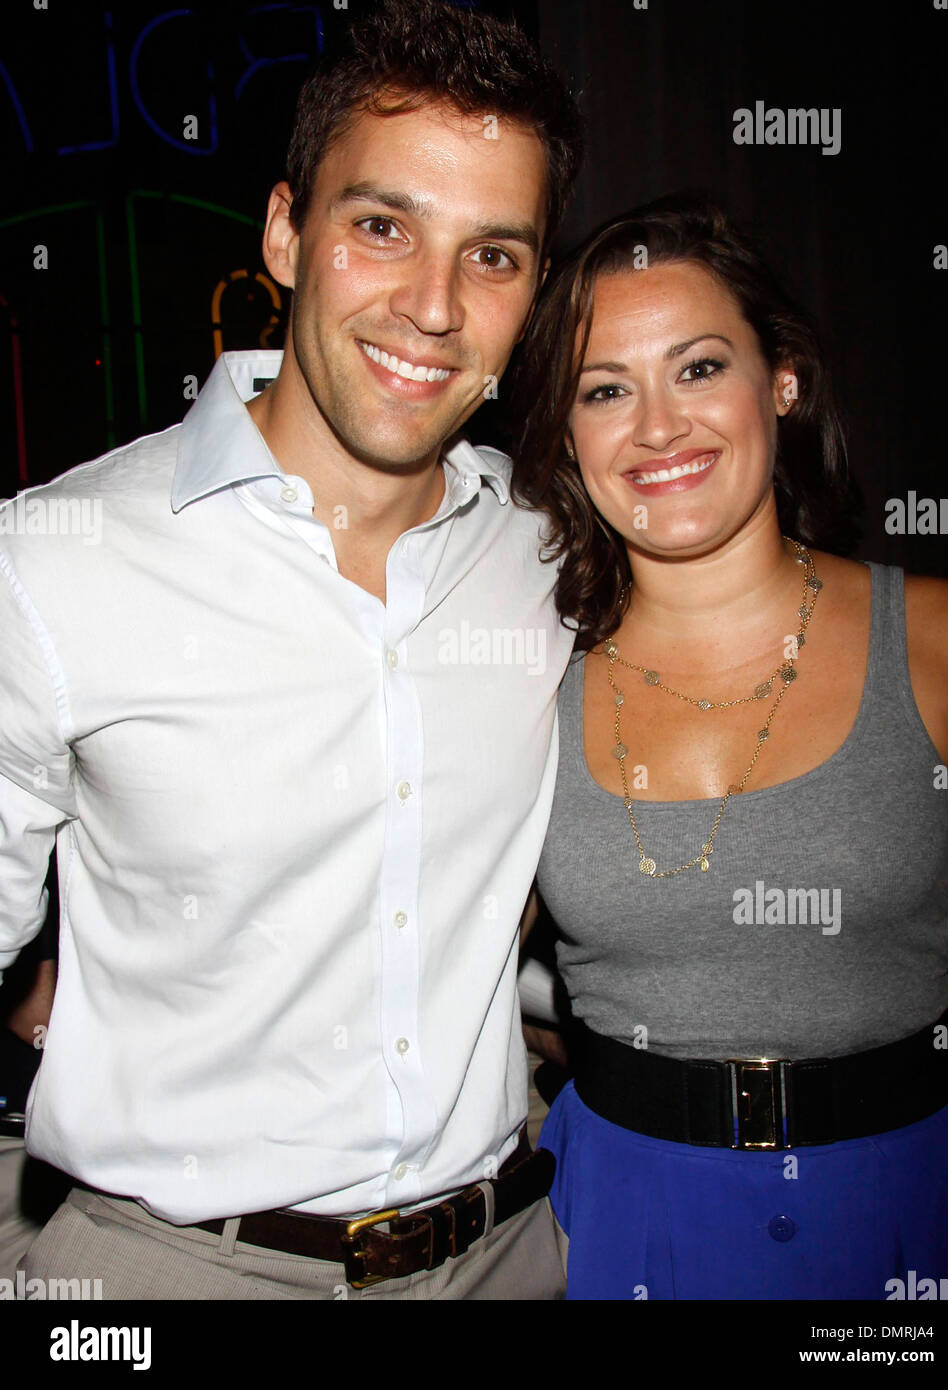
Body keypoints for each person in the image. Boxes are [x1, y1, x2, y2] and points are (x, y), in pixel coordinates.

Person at [0, 0, 584, 1299]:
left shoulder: (557, 560)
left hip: (505, 1257)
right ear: (284, 233)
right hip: (172, 1271)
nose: (431, 307)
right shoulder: (54, 558)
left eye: (493, 256)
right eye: (383, 227)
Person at [510, 194, 948, 1300]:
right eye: (605, 389)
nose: (658, 427)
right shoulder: (524, 678)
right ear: (569, 437)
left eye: (699, 367)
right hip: (626, 1215)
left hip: (915, 1214)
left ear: (782, 380)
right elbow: (429, 960)